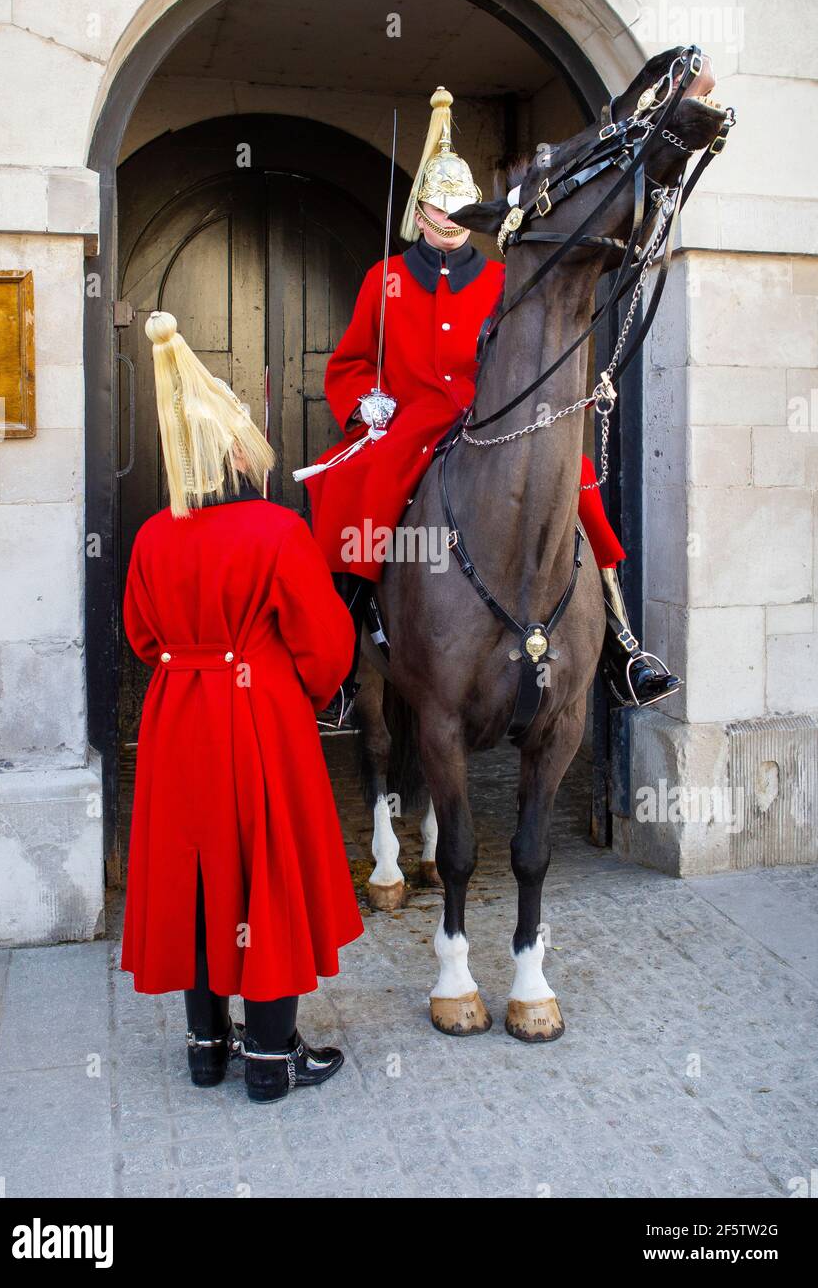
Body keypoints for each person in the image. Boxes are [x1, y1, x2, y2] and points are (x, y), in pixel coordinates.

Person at [305, 87, 681, 716]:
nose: (449, 223)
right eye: (438, 210)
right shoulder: (385, 279)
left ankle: (622, 644)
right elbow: (347, 365)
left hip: (490, 419)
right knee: (355, 485)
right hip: (410, 421)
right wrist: (362, 404)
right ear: (420, 211)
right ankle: (346, 648)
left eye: (459, 212)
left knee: (581, 484)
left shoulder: (503, 278)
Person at [121, 311, 363, 1104]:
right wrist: (312, 690)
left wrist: (189, 667)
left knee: (197, 879)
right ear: (233, 448)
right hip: (259, 724)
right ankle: (270, 1057)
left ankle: (204, 1047)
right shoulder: (279, 530)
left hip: (175, 721)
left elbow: (141, 635)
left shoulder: (153, 537)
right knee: (267, 879)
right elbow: (325, 644)